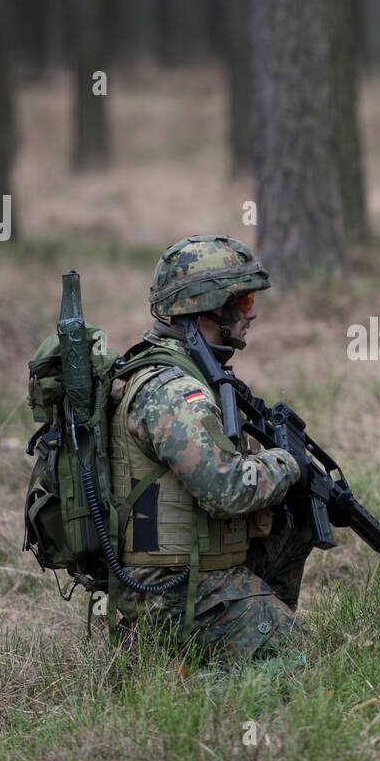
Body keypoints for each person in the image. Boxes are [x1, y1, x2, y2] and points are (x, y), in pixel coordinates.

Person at [109, 234, 312, 666]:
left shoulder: (190, 369)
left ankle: (250, 627)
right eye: (241, 302)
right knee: (299, 664)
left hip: (184, 577)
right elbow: (226, 489)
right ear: (205, 308)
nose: (252, 312)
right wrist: (288, 464)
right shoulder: (173, 389)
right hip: (168, 592)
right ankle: (189, 674)